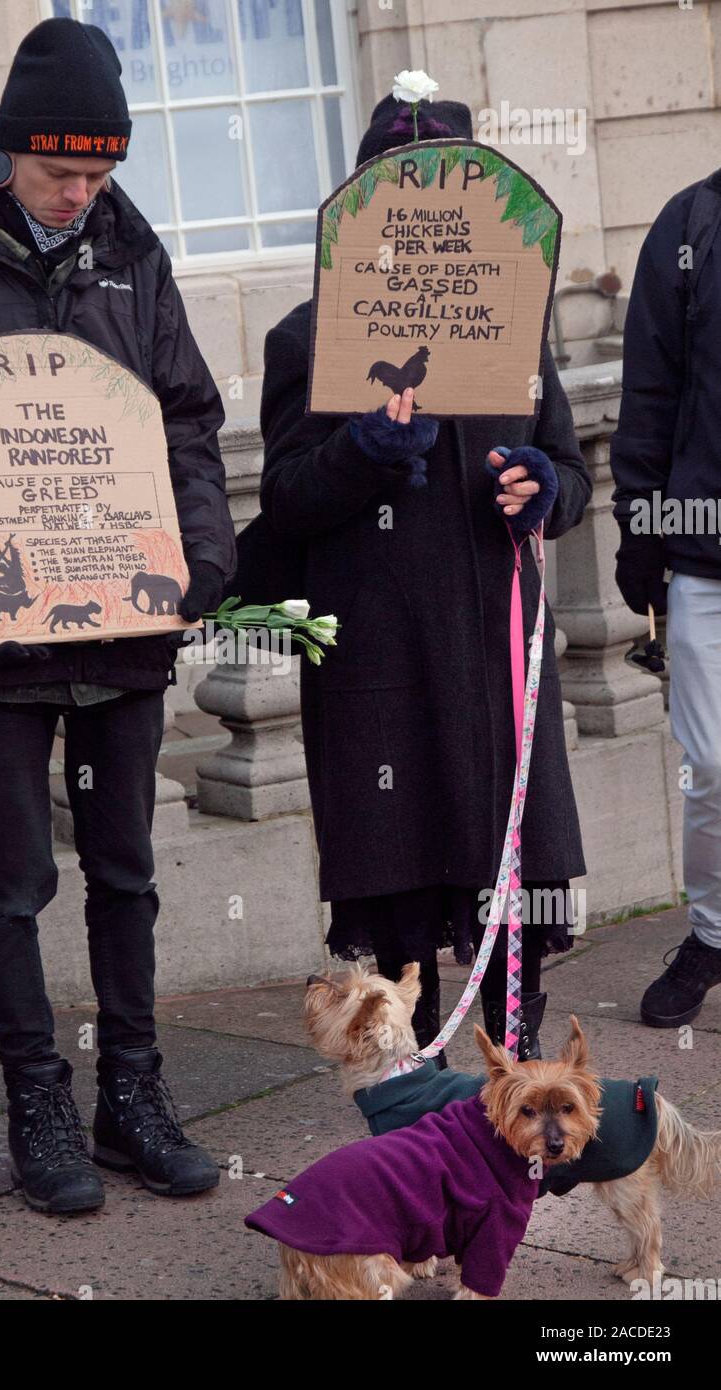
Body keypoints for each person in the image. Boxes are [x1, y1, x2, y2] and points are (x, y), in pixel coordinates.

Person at [0, 17, 236, 1213]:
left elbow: (184, 419)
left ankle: (133, 1092)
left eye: (101, 172)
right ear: (9, 151)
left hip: (122, 625)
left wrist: (205, 551)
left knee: (124, 868)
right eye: (64, 170)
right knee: (15, 879)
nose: (82, 192)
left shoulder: (131, 246)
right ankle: (38, 1105)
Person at [256, 97, 591, 1063]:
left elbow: (569, 469)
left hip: (491, 649)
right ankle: (414, 1087)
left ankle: (515, 1075)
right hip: (378, 656)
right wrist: (360, 452)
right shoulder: (306, 338)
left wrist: (543, 492)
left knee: (505, 870)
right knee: (401, 880)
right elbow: (285, 501)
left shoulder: (511, 327)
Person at [611, 167, 721, 1027]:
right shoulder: (689, 221)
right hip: (705, 551)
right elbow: (649, 390)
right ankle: (713, 934)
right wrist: (641, 530)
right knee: (711, 764)